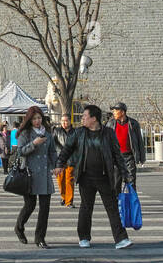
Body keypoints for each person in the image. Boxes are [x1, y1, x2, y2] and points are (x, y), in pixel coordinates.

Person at [56, 104, 132, 249]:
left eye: (85, 116)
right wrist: (60, 164)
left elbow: (117, 155)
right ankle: (84, 237)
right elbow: (66, 150)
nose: (82, 119)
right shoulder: (78, 133)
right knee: (86, 207)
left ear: (94, 119)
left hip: (105, 176)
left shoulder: (108, 133)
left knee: (112, 207)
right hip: (86, 177)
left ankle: (121, 239)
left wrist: (125, 174)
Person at [13, 107, 59, 248]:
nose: (37, 121)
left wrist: (56, 166)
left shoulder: (48, 133)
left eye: (39, 118)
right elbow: (20, 152)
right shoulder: (25, 134)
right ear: (29, 120)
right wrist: (33, 144)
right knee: (30, 205)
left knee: (45, 208)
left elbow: (52, 152)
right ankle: (19, 227)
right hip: (30, 174)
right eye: (34, 119)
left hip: (44, 174)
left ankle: (40, 238)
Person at [109, 102, 146, 185]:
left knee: (131, 183)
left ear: (122, 112)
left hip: (129, 157)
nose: (114, 113)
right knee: (116, 183)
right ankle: (116, 198)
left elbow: (139, 141)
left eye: (115, 111)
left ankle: (131, 198)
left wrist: (142, 158)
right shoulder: (110, 124)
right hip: (115, 158)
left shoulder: (133, 124)